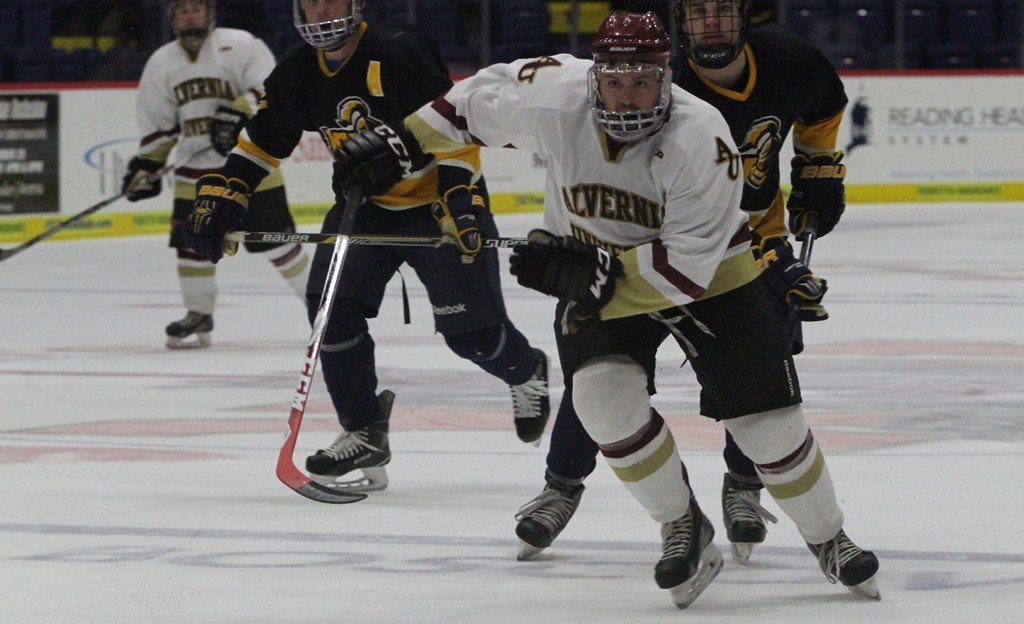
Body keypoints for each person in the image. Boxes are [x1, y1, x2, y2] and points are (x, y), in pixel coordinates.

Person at [328, 9, 878, 608]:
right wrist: (400, 145)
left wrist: (594, 276)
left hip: (713, 277)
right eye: (616, 81)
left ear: (666, 78)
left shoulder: (703, 134)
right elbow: (468, 107)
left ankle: (829, 537)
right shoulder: (555, 94)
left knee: (767, 427)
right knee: (602, 403)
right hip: (596, 273)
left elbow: (685, 268)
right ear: (595, 76)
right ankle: (682, 525)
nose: (628, 95)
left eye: (643, 81)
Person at [513, 0, 849, 568]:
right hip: (635, 250)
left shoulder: (790, 61)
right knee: (599, 370)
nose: (710, 24)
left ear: (748, 16)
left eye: (721, 10)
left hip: (736, 250)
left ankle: (743, 486)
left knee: (761, 370)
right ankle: (562, 482)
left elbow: (821, 112)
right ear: (678, 23)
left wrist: (819, 167)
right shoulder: (655, 82)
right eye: (697, 13)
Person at [180, 0, 550, 492]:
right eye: (309, 4)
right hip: (365, 205)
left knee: (473, 336)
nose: (319, 12)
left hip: (439, 202)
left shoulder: (400, 52)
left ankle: (526, 371)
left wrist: (459, 201)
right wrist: (231, 186)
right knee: (331, 313)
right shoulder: (296, 69)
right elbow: (265, 139)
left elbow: (456, 125)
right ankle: (364, 430)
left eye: (330, 1)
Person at [121, 0, 311, 349]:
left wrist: (240, 111)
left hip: (251, 164)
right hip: (193, 173)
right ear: (173, 18)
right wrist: (147, 164)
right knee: (191, 244)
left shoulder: (241, 44)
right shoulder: (161, 62)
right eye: (182, 10)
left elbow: (271, 88)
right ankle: (198, 312)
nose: (190, 15)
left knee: (277, 241)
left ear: (209, 13)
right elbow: (158, 123)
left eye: (196, 9)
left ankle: (319, 305)